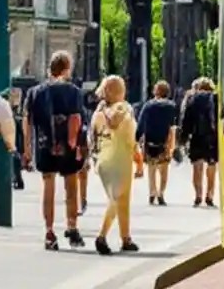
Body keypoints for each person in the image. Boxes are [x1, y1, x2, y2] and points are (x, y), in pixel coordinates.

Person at [22, 51, 87, 250]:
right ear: (67, 68)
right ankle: (72, 226)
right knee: (71, 185)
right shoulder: (73, 91)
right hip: (68, 144)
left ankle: (49, 231)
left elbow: (27, 120)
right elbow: (76, 119)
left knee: (48, 187)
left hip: (44, 143)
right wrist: (76, 145)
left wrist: (27, 148)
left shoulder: (35, 92)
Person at [89, 75, 142, 255]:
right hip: (120, 158)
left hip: (104, 159)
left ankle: (126, 237)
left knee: (122, 199)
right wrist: (139, 159)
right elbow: (128, 136)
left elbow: (93, 137)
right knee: (117, 198)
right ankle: (102, 236)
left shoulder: (97, 113)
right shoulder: (123, 108)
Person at [136, 81, 177, 206]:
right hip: (165, 140)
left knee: (151, 168)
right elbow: (174, 125)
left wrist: (137, 136)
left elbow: (141, 122)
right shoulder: (171, 106)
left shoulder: (148, 106)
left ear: (155, 91)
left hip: (150, 140)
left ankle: (152, 192)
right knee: (164, 169)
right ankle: (161, 193)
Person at [181, 77, 219, 207]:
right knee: (211, 166)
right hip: (212, 137)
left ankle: (198, 194)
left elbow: (186, 120)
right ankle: (210, 195)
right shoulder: (216, 99)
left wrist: (183, 137)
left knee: (197, 167)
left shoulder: (192, 99)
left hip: (196, 136)